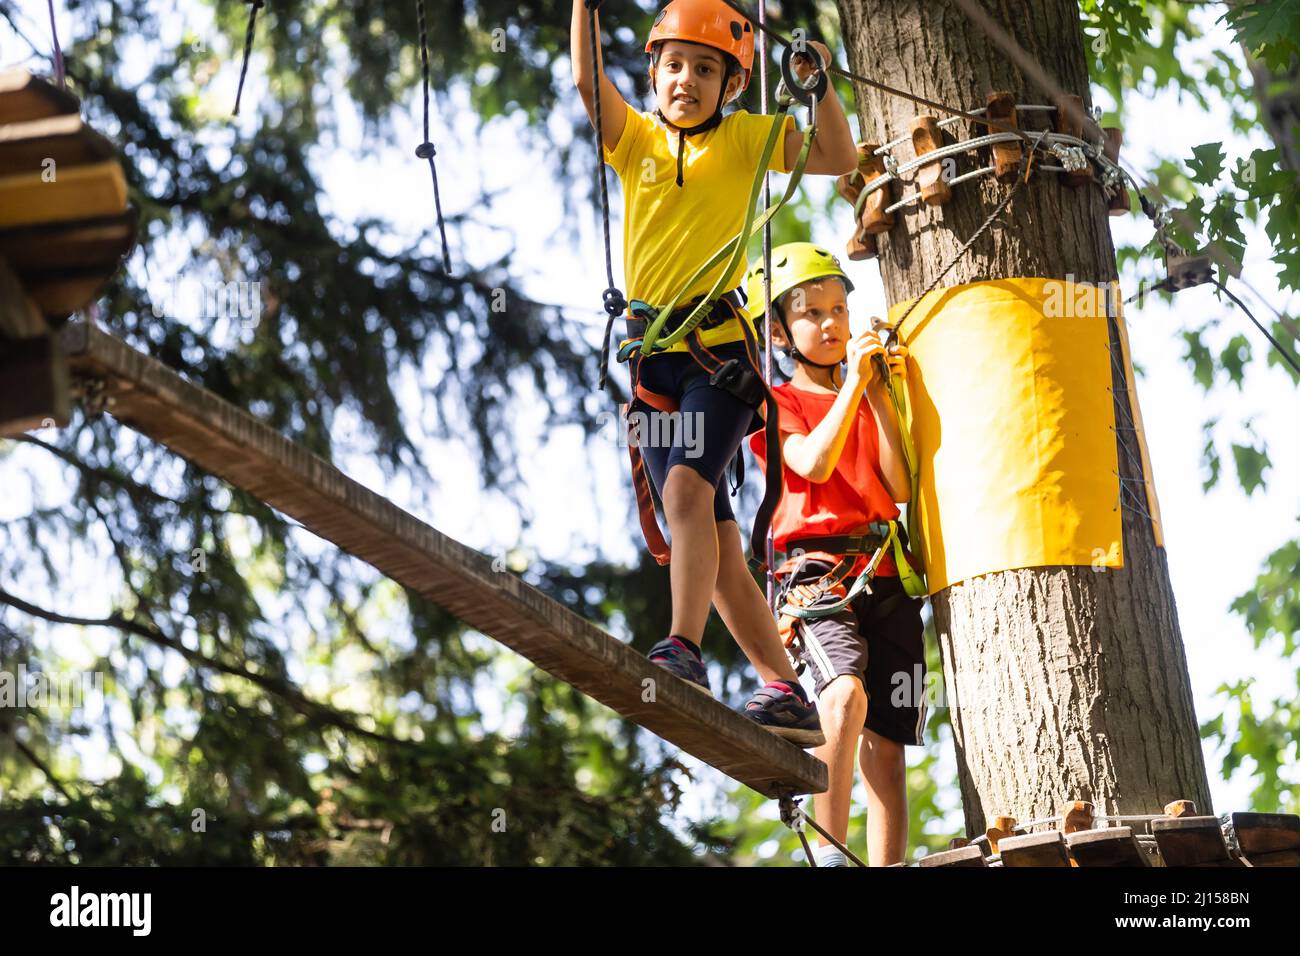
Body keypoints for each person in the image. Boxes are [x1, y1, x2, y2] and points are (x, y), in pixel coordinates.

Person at [571, 0, 857, 742]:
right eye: (674, 66)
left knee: (688, 490)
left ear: (732, 85)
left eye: (706, 70)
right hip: (650, 358)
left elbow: (837, 158)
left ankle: (684, 649)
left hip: (718, 354)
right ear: (654, 71)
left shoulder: (744, 139)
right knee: (718, 543)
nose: (687, 81)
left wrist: (818, 87)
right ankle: (786, 692)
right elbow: (583, 78)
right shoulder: (633, 140)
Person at [744, 243, 927, 864]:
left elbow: (899, 489)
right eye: (812, 314)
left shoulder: (866, 395)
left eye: (840, 310)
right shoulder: (778, 403)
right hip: (814, 570)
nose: (830, 325)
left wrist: (875, 394)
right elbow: (811, 462)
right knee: (845, 694)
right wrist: (853, 385)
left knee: (890, 738)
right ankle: (830, 854)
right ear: (778, 331)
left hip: (882, 568)